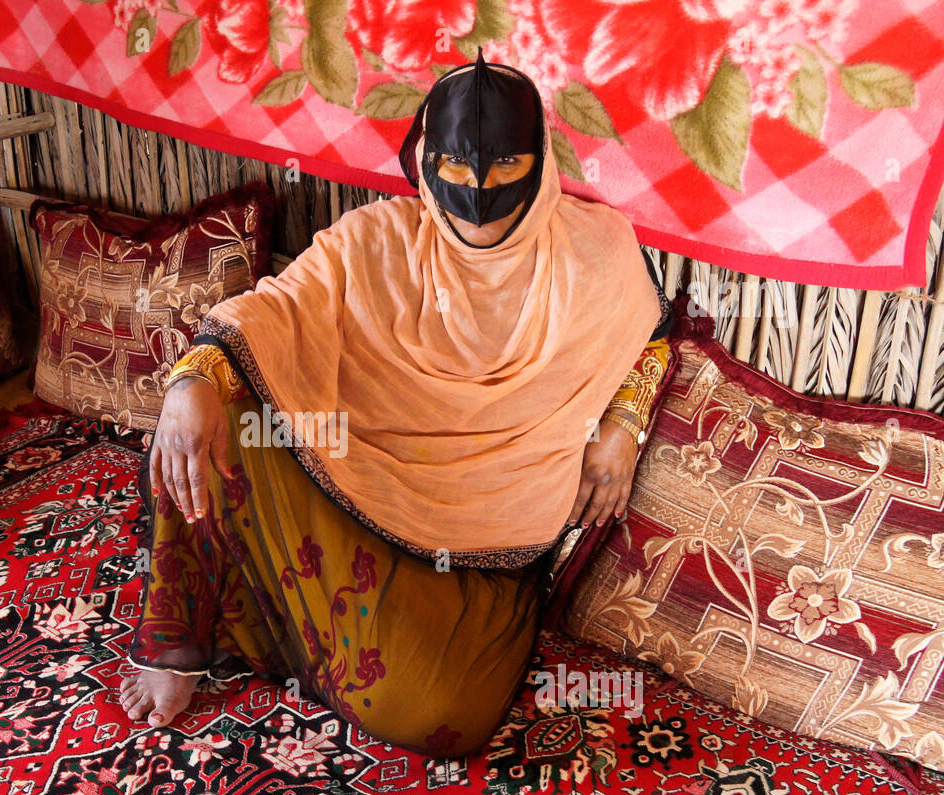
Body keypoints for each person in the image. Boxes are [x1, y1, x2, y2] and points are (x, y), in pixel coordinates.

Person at [118, 52, 673, 757]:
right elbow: (271, 312)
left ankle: (291, 628)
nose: (476, 193)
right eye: (458, 168)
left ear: (541, 161)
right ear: (423, 157)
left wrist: (622, 424)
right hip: (359, 476)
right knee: (205, 421)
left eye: (504, 167)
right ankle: (182, 643)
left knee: (438, 714)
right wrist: (193, 382)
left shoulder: (597, 253)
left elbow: (649, 337)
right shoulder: (374, 240)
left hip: (485, 537)